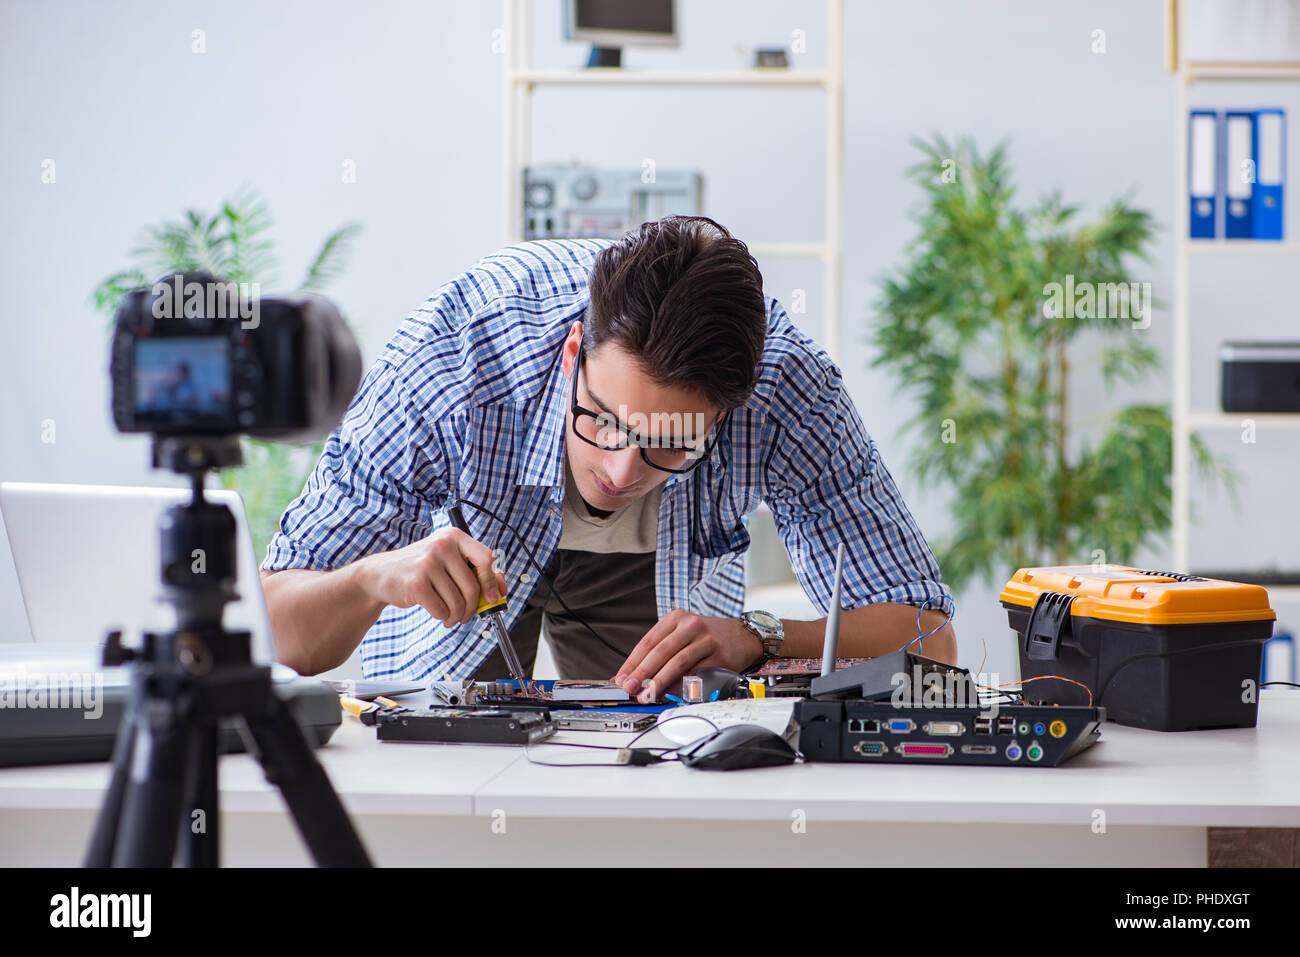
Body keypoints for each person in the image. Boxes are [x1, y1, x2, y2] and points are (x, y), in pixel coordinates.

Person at [260, 216, 956, 703]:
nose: (621, 474)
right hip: (467, 563)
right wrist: (370, 577)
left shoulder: (789, 386)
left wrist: (757, 636)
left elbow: (929, 640)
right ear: (573, 354)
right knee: (445, 771)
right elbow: (280, 633)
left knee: (654, 776)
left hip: (651, 580)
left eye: (670, 442)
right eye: (604, 420)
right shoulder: (456, 353)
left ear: (729, 410)